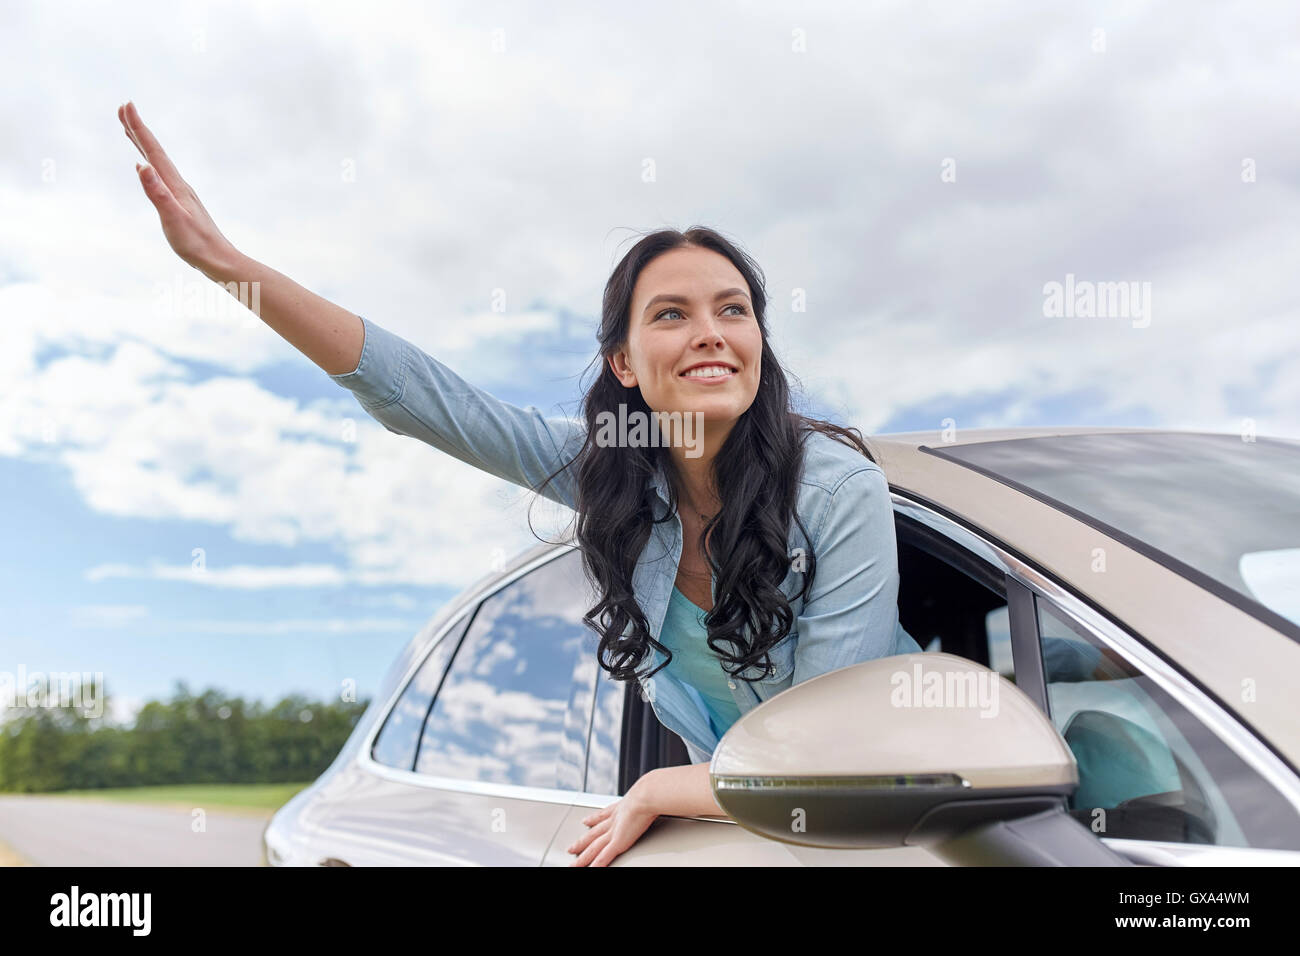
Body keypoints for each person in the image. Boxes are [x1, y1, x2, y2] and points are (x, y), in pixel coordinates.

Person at [118, 101, 922, 866]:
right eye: (671, 314)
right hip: (755, 829)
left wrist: (664, 787)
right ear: (624, 363)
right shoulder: (614, 473)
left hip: (889, 819)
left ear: (757, 339)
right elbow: (430, 403)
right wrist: (229, 267)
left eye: (733, 310)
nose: (710, 333)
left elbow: (826, 760)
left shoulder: (836, 491)